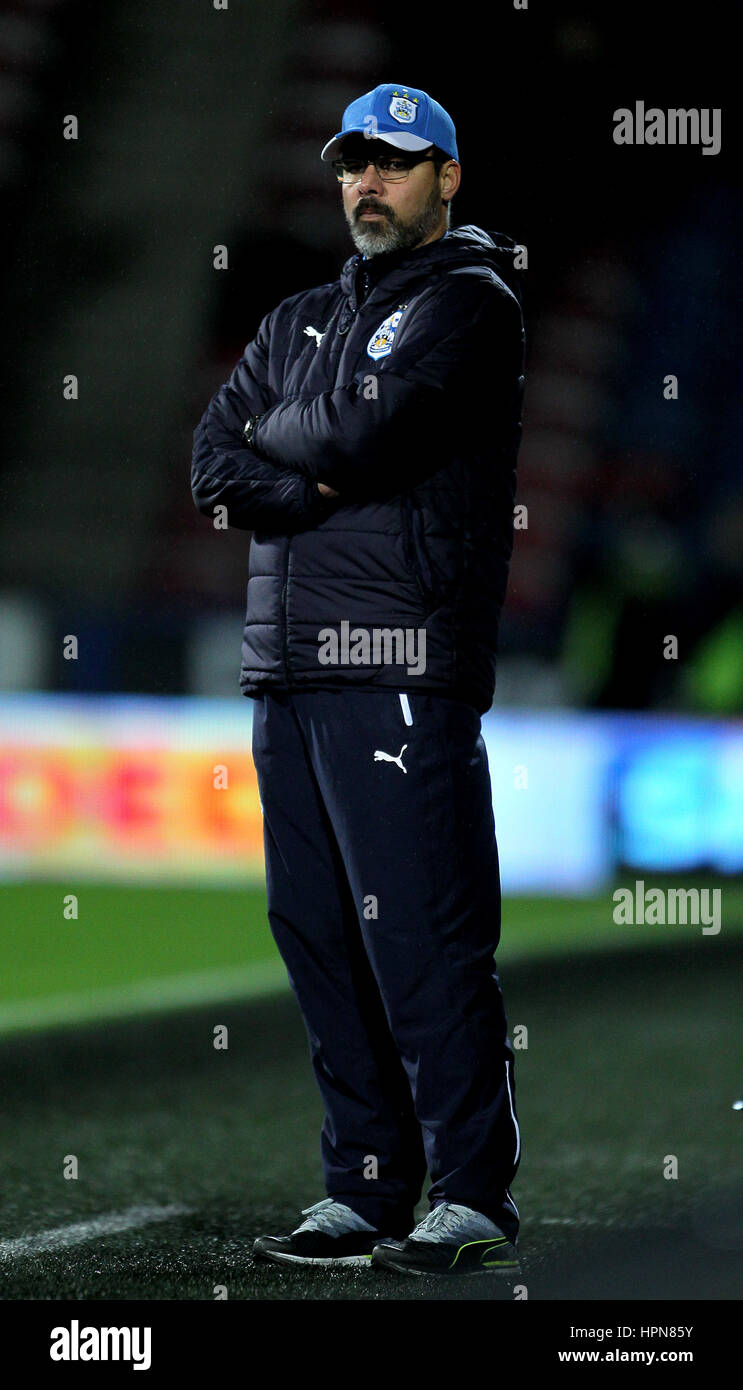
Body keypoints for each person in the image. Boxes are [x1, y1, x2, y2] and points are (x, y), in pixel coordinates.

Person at [191, 83, 525, 1277]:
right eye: (351, 164)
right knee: (321, 936)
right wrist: (306, 463)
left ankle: (472, 1192)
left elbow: (358, 440)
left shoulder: (471, 305)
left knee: (423, 937)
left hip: (401, 660)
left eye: (393, 162)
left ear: (446, 179)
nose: (365, 182)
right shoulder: (296, 318)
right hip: (286, 663)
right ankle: (366, 1188)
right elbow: (211, 462)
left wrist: (299, 445)